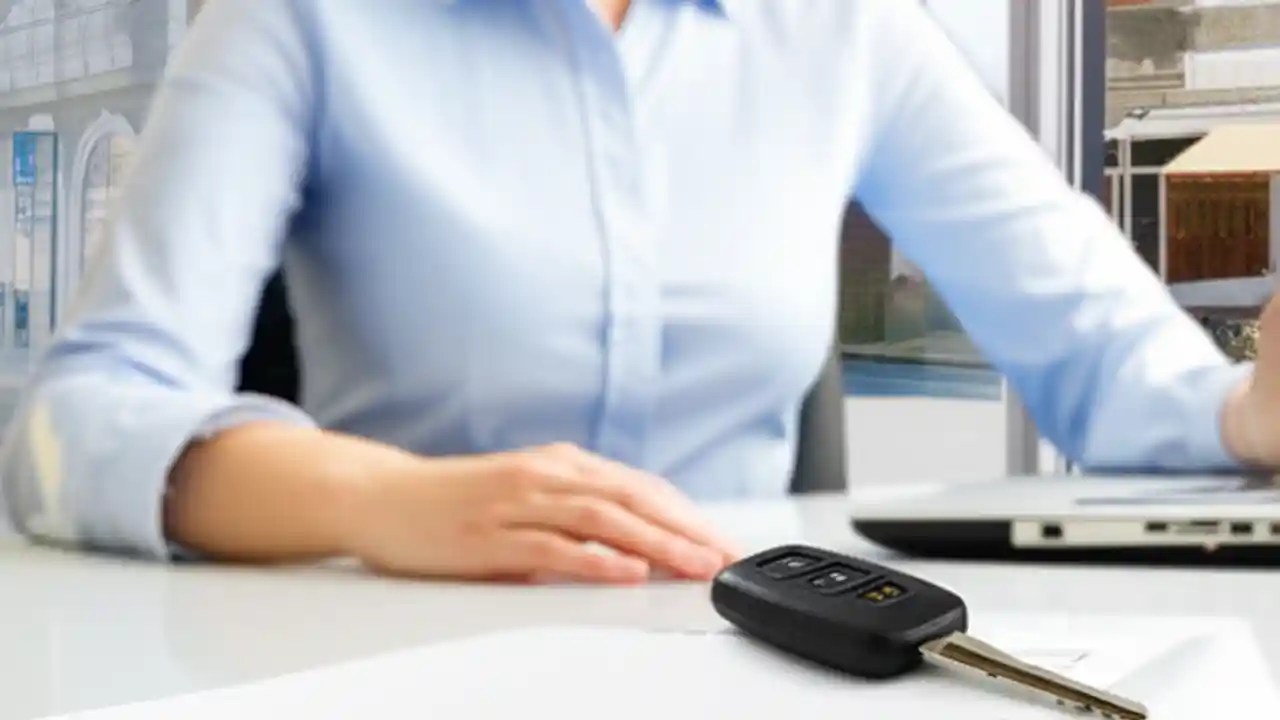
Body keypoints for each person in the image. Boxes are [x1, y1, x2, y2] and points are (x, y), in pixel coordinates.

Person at [3, 0, 1276, 584]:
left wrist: (1247, 411)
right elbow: (77, 423)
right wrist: (383, 500)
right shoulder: (300, 21)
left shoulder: (840, 33)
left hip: (749, 652)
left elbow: (1106, 359)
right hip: (382, 647)